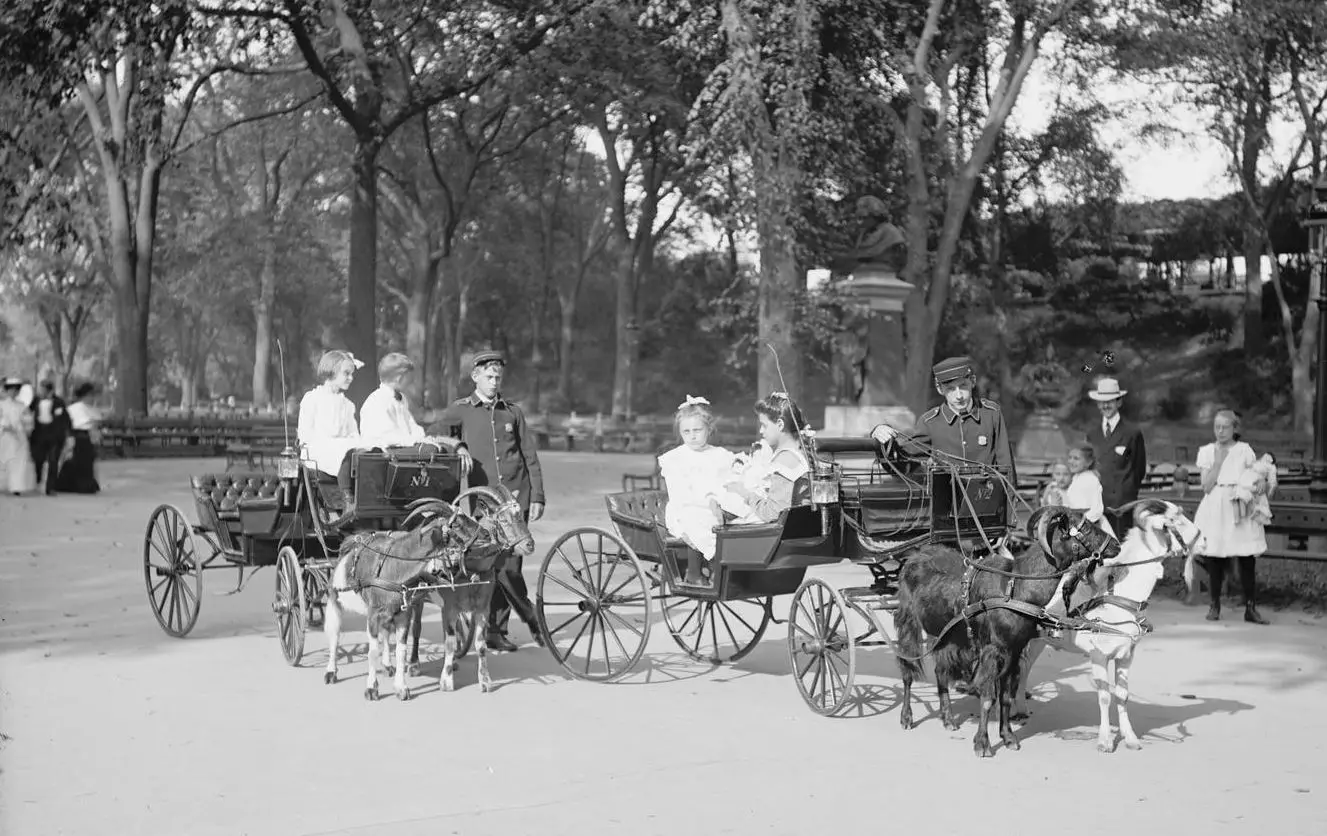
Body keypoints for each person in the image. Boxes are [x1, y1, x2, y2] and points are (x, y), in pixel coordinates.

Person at [429, 350, 544, 652]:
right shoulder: (461, 410)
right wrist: (458, 446)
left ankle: (498, 629)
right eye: (489, 377)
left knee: (512, 565)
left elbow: (529, 456)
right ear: (475, 377)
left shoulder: (512, 412)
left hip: (517, 497)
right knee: (493, 564)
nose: (494, 382)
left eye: (498, 377)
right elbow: (434, 432)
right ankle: (526, 618)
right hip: (484, 502)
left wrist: (539, 495)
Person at [870, 356, 1017, 484]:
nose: (959, 395)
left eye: (963, 386)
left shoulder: (991, 414)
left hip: (988, 505)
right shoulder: (930, 422)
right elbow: (903, 462)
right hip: (948, 510)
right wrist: (880, 433)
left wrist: (1011, 512)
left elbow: (1007, 467)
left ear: (973, 381)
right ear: (940, 389)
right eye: (951, 389)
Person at [1193, 409, 1270, 624]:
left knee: (1246, 556)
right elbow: (1206, 487)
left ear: (1234, 428)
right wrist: (1218, 462)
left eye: (1225, 427)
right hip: (1216, 505)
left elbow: (1255, 474)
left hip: (1239, 503)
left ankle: (1250, 607)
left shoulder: (1244, 450)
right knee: (1215, 556)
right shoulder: (1208, 452)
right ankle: (1214, 604)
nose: (1220, 431)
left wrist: (1260, 480)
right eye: (1216, 426)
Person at [658, 395, 735, 586]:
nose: (692, 435)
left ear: (708, 429)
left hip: (715, 504)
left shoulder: (719, 455)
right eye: (686, 431)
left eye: (697, 430)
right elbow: (678, 492)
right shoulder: (676, 458)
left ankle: (723, 568)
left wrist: (721, 501)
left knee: (731, 519)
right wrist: (705, 503)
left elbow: (726, 482)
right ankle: (694, 572)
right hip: (685, 506)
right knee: (698, 519)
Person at [359, 353, 472, 472]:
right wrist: (416, 441)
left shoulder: (401, 399)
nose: (412, 381)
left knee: (443, 449)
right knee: (430, 450)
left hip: (400, 447)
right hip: (381, 452)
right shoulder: (378, 399)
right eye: (410, 377)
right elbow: (387, 436)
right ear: (399, 377)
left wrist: (422, 437)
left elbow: (411, 425)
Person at [296, 350, 366, 524]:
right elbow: (305, 435)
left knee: (365, 447)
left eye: (351, 374)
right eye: (346, 373)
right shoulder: (313, 399)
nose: (350, 378)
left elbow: (353, 433)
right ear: (331, 372)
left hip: (342, 448)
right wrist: (335, 443)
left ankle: (369, 496)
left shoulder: (347, 404)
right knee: (344, 449)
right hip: (316, 449)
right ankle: (347, 498)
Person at [722, 393, 811, 525]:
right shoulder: (799, 452)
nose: (761, 431)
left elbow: (773, 513)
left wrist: (744, 493)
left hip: (782, 531)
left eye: (764, 425)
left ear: (780, 424)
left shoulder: (785, 460)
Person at [1085, 377, 1147, 533]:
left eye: (1110, 401)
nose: (1106, 405)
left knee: (1121, 550)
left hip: (1122, 505)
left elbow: (1139, 470)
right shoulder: (1092, 434)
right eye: (1102, 401)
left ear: (1119, 402)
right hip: (1097, 504)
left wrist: (1126, 493)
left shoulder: (1132, 433)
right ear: (1098, 404)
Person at [55, 382, 102, 494]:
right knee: (76, 462)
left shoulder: (93, 409)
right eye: (90, 395)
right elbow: (77, 422)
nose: (92, 398)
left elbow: (96, 423)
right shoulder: (75, 408)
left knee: (88, 463)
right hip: (78, 437)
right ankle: (74, 485)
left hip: (88, 439)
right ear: (84, 396)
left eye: (93, 395)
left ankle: (87, 484)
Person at [29, 380, 71, 496]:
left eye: (42, 389)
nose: (40, 391)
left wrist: (68, 434)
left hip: (54, 435)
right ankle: (38, 480)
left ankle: (50, 488)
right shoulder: (36, 400)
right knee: (38, 459)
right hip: (39, 433)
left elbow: (66, 419)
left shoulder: (59, 402)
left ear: (49, 390)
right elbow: (27, 412)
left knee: (53, 461)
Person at [1063, 444, 1114, 537]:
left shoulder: (1091, 480)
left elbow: (1097, 509)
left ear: (1089, 462)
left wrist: (1081, 525)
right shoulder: (1076, 477)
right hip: (1074, 523)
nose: (1071, 461)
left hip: (1088, 527)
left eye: (1076, 458)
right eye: (1070, 457)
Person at [1, 377, 36, 496]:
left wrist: (24, 430)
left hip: (18, 437)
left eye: (16, 390)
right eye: (11, 389)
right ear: (6, 390)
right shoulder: (1, 405)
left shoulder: (23, 406)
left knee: (18, 462)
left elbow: (28, 422)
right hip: (4, 436)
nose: (13, 392)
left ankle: (17, 486)